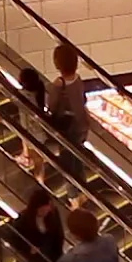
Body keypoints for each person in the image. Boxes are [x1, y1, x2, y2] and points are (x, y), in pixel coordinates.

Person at [46, 44, 91, 182]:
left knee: (67, 160)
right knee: (77, 156)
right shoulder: (78, 79)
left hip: (67, 126)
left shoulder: (59, 84)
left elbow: (52, 105)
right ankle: (82, 186)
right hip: (81, 122)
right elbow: (82, 98)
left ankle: (73, 194)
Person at [15, 66, 50, 178]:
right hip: (40, 132)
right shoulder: (40, 91)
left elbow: (25, 126)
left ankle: (40, 183)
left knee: (38, 161)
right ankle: (25, 157)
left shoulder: (23, 96)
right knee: (39, 159)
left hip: (31, 134)